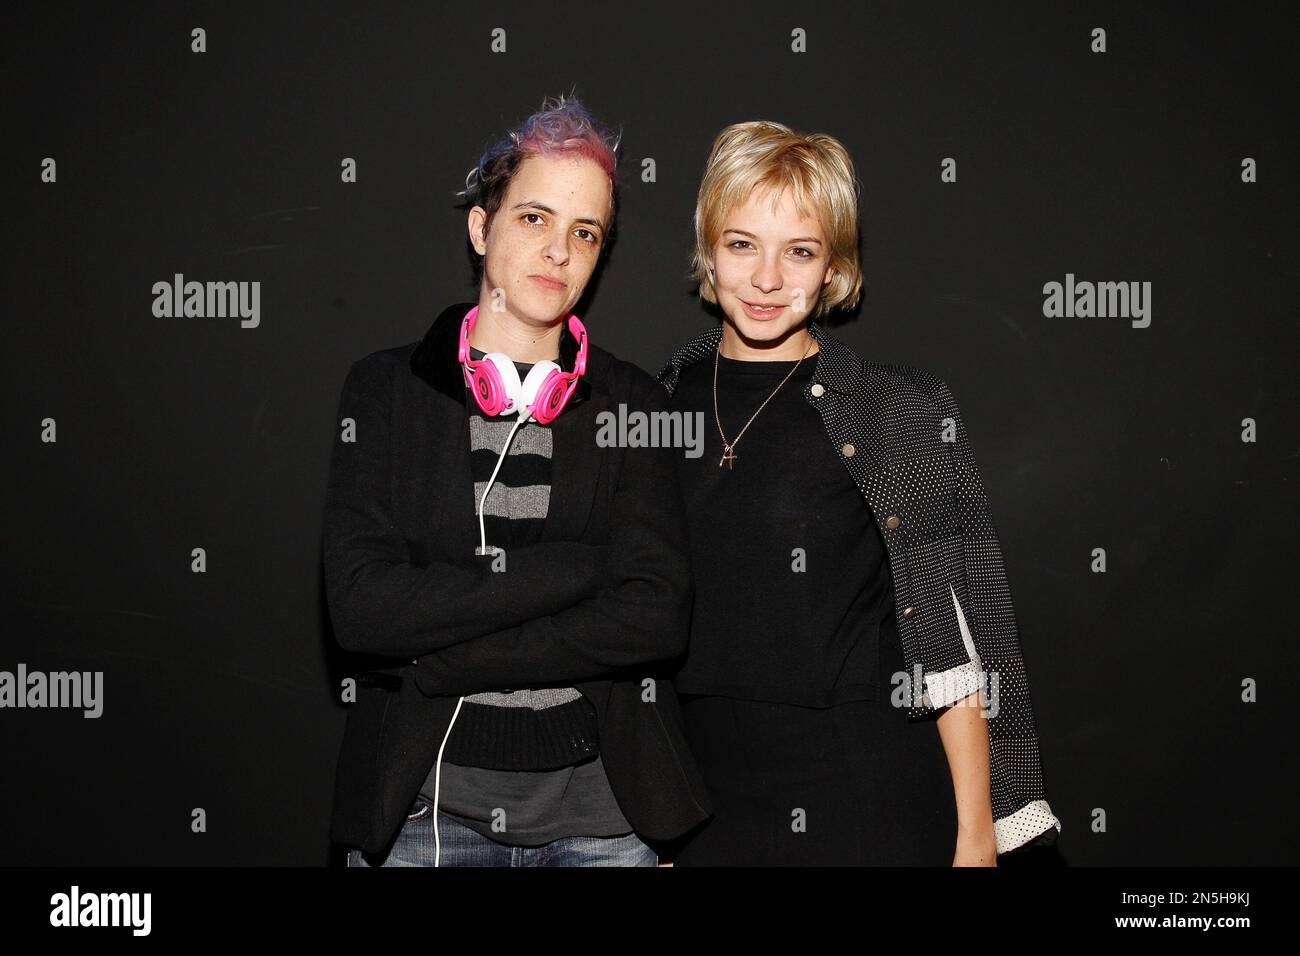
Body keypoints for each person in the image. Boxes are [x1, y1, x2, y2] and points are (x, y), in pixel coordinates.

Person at [654, 120, 1062, 865]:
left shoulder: (891, 411)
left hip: (866, 791)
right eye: (743, 244)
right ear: (709, 250)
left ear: (834, 266)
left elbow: (953, 636)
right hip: (704, 801)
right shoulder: (658, 404)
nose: (768, 278)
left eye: (799, 251)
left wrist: (975, 839)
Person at [323, 93, 711, 867]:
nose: (559, 251)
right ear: (481, 225)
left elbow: (656, 617)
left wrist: (455, 656)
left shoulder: (633, 401)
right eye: (535, 218)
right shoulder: (385, 392)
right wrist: (576, 569)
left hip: (606, 823)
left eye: (585, 232)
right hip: (424, 817)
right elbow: (363, 611)